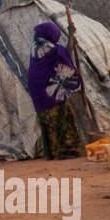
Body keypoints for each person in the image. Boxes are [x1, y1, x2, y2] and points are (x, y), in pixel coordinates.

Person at [27, 21, 83, 159]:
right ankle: (64, 151)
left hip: (39, 88)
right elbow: (65, 53)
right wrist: (70, 35)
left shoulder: (37, 45)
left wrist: (71, 39)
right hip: (48, 90)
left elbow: (62, 53)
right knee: (58, 117)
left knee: (49, 119)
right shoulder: (45, 46)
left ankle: (54, 152)